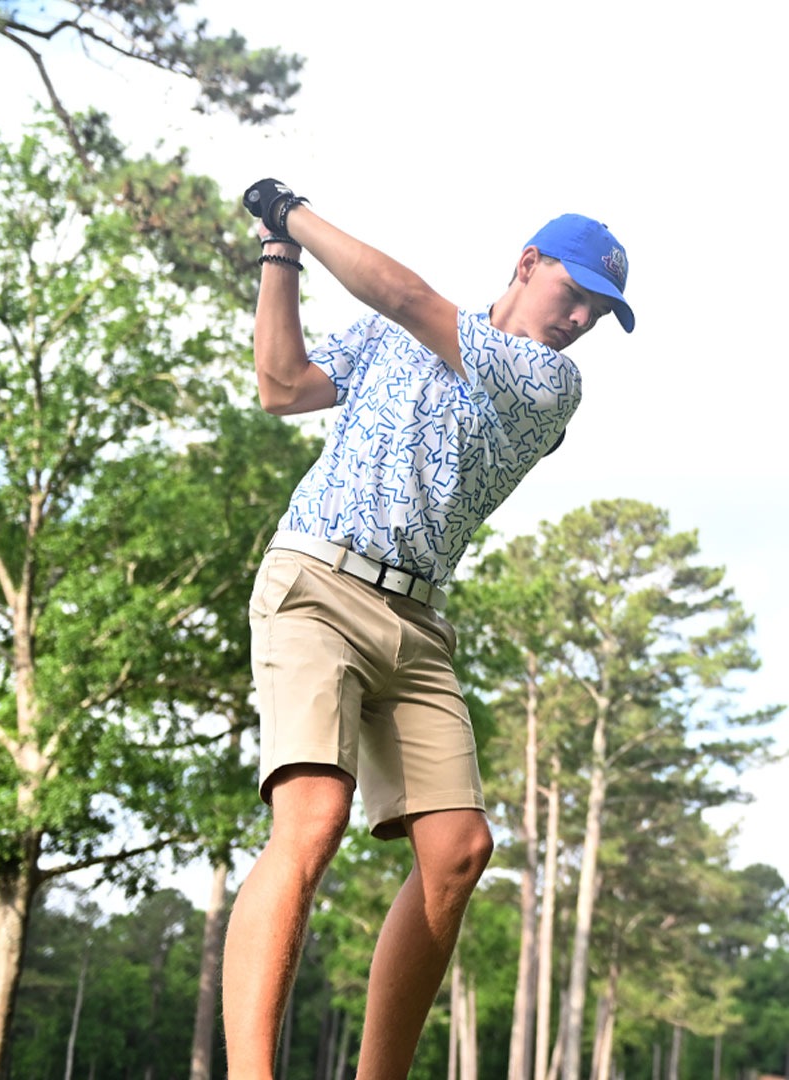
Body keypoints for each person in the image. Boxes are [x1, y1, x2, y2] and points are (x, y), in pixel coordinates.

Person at [222, 178, 633, 1080]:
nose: (581, 323)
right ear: (528, 266)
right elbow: (282, 385)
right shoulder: (398, 340)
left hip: (416, 620)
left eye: (600, 315)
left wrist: (293, 213)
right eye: (575, 298)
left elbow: (406, 298)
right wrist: (277, 257)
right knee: (315, 814)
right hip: (316, 585)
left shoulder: (547, 381)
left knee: (458, 851)